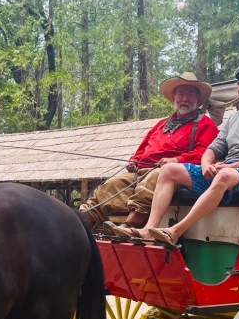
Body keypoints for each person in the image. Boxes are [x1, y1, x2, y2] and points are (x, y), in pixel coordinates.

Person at [115, 59, 239, 245]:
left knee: (224, 175)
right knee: (168, 170)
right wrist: (206, 164)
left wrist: (231, 166)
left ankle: (175, 230)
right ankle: (149, 229)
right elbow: (214, 147)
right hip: (227, 170)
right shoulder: (233, 118)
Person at [80, 72, 218, 231]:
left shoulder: (205, 124)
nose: (185, 99)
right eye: (181, 94)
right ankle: (84, 222)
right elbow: (141, 152)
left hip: (173, 174)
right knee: (113, 183)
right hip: (143, 170)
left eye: (190, 94)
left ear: (197, 99)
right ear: (173, 97)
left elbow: (206, 153)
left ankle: (132, 224)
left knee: (155, 177)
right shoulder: (161, 124)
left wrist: (177, 160)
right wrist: (134, 161)